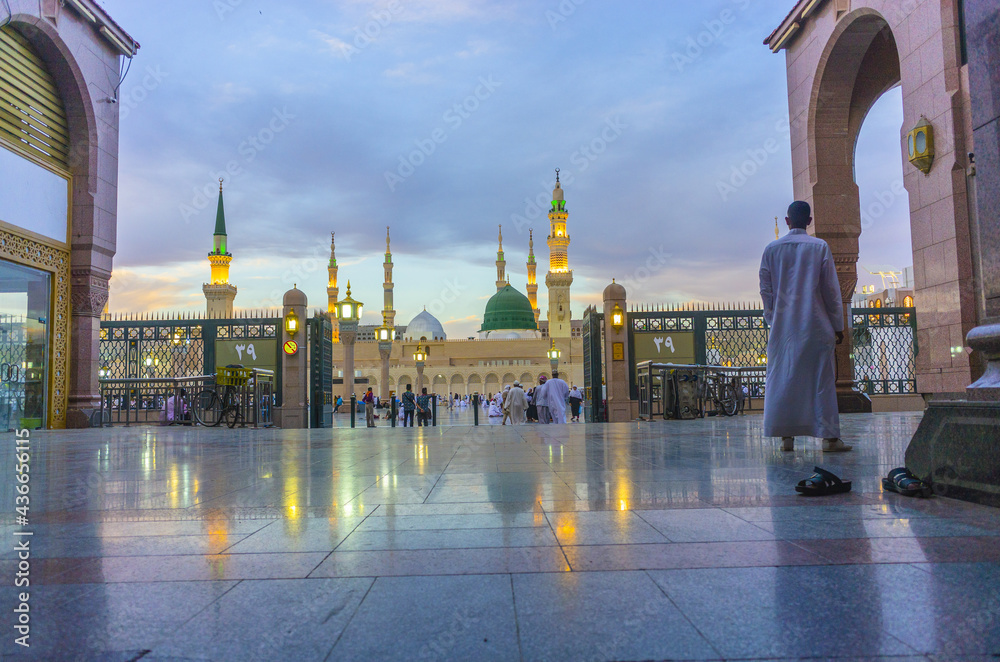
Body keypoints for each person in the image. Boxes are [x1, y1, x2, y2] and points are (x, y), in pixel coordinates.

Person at [759, 200, 852, 453]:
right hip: (816, 326)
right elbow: (831, 291)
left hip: (783, 328)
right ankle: (830, 439)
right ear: (809, 221)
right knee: (821, 381)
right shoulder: (820, 247)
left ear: (787, 221)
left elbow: (766, 290)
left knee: (784, 378)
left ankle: (786, 437)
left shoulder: (771, 249)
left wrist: (773, 320)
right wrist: (837, 326)